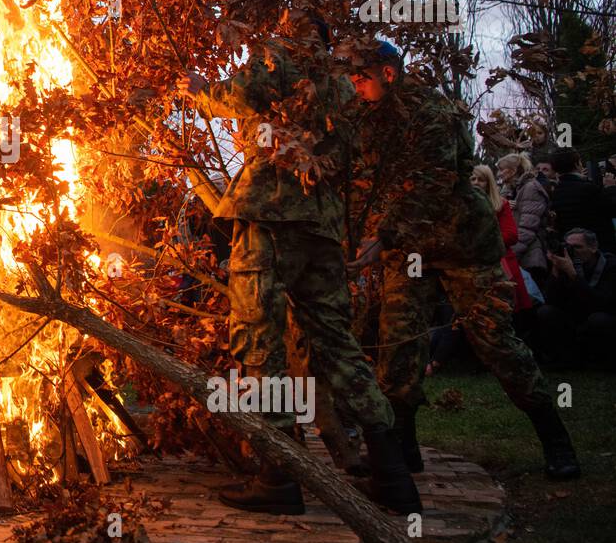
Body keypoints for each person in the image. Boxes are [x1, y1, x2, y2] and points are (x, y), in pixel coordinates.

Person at [182, 34, 421, 515]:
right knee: (338, 344)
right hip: (323, 227)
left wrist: (196, 88)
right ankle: (393, 476)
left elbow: (236, 96)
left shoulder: (280, 59)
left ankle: (278, 477)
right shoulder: (341, 80)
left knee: (259, 344)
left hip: (271, 220)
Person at [348, 41, 580, 480]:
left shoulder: (430, 113)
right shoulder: (367, 119)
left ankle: (556, 441)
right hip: (409, 250)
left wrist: (384, 234)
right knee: (398, 346)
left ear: (388, 74)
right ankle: (404, 449)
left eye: (361, 77)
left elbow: (431, 184)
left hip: (460, 243)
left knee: (495, 342)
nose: (355, 86)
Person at [534, 228, 616, 368]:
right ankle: (561, 358)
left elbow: (602, 303)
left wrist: (573, 275)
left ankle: (600, 360)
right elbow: (549, 300)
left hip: (602, 320)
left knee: (598, 319)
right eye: (568, 247)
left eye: (577, 247)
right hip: (573, 320)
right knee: (545, 312)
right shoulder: (563, 264)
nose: (572, 251)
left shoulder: (611, 266)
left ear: (593, 248)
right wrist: (555, 271)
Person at [471, 165, 533, 315]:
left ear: (489, 183)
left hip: (500, 264)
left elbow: (511, 235)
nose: (476, 183)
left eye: (481, 180)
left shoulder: (500, 204)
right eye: (473, 179)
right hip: (474, 267)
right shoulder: (461, 207)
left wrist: (481, 244)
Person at [497, 153, 551, 287]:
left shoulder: (530, 188)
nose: (498, 174)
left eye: (501, 169)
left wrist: (510, 254)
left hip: (529, 257)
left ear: (513, 171)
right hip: (520, 255)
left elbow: (527, 228)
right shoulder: (513, 189)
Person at [549, 148, 616, 254]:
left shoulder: (556, 191)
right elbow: (612, 209)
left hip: (572, 248)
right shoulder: (588, 188)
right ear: (577, 164)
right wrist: (610, 188)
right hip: (598, 247)